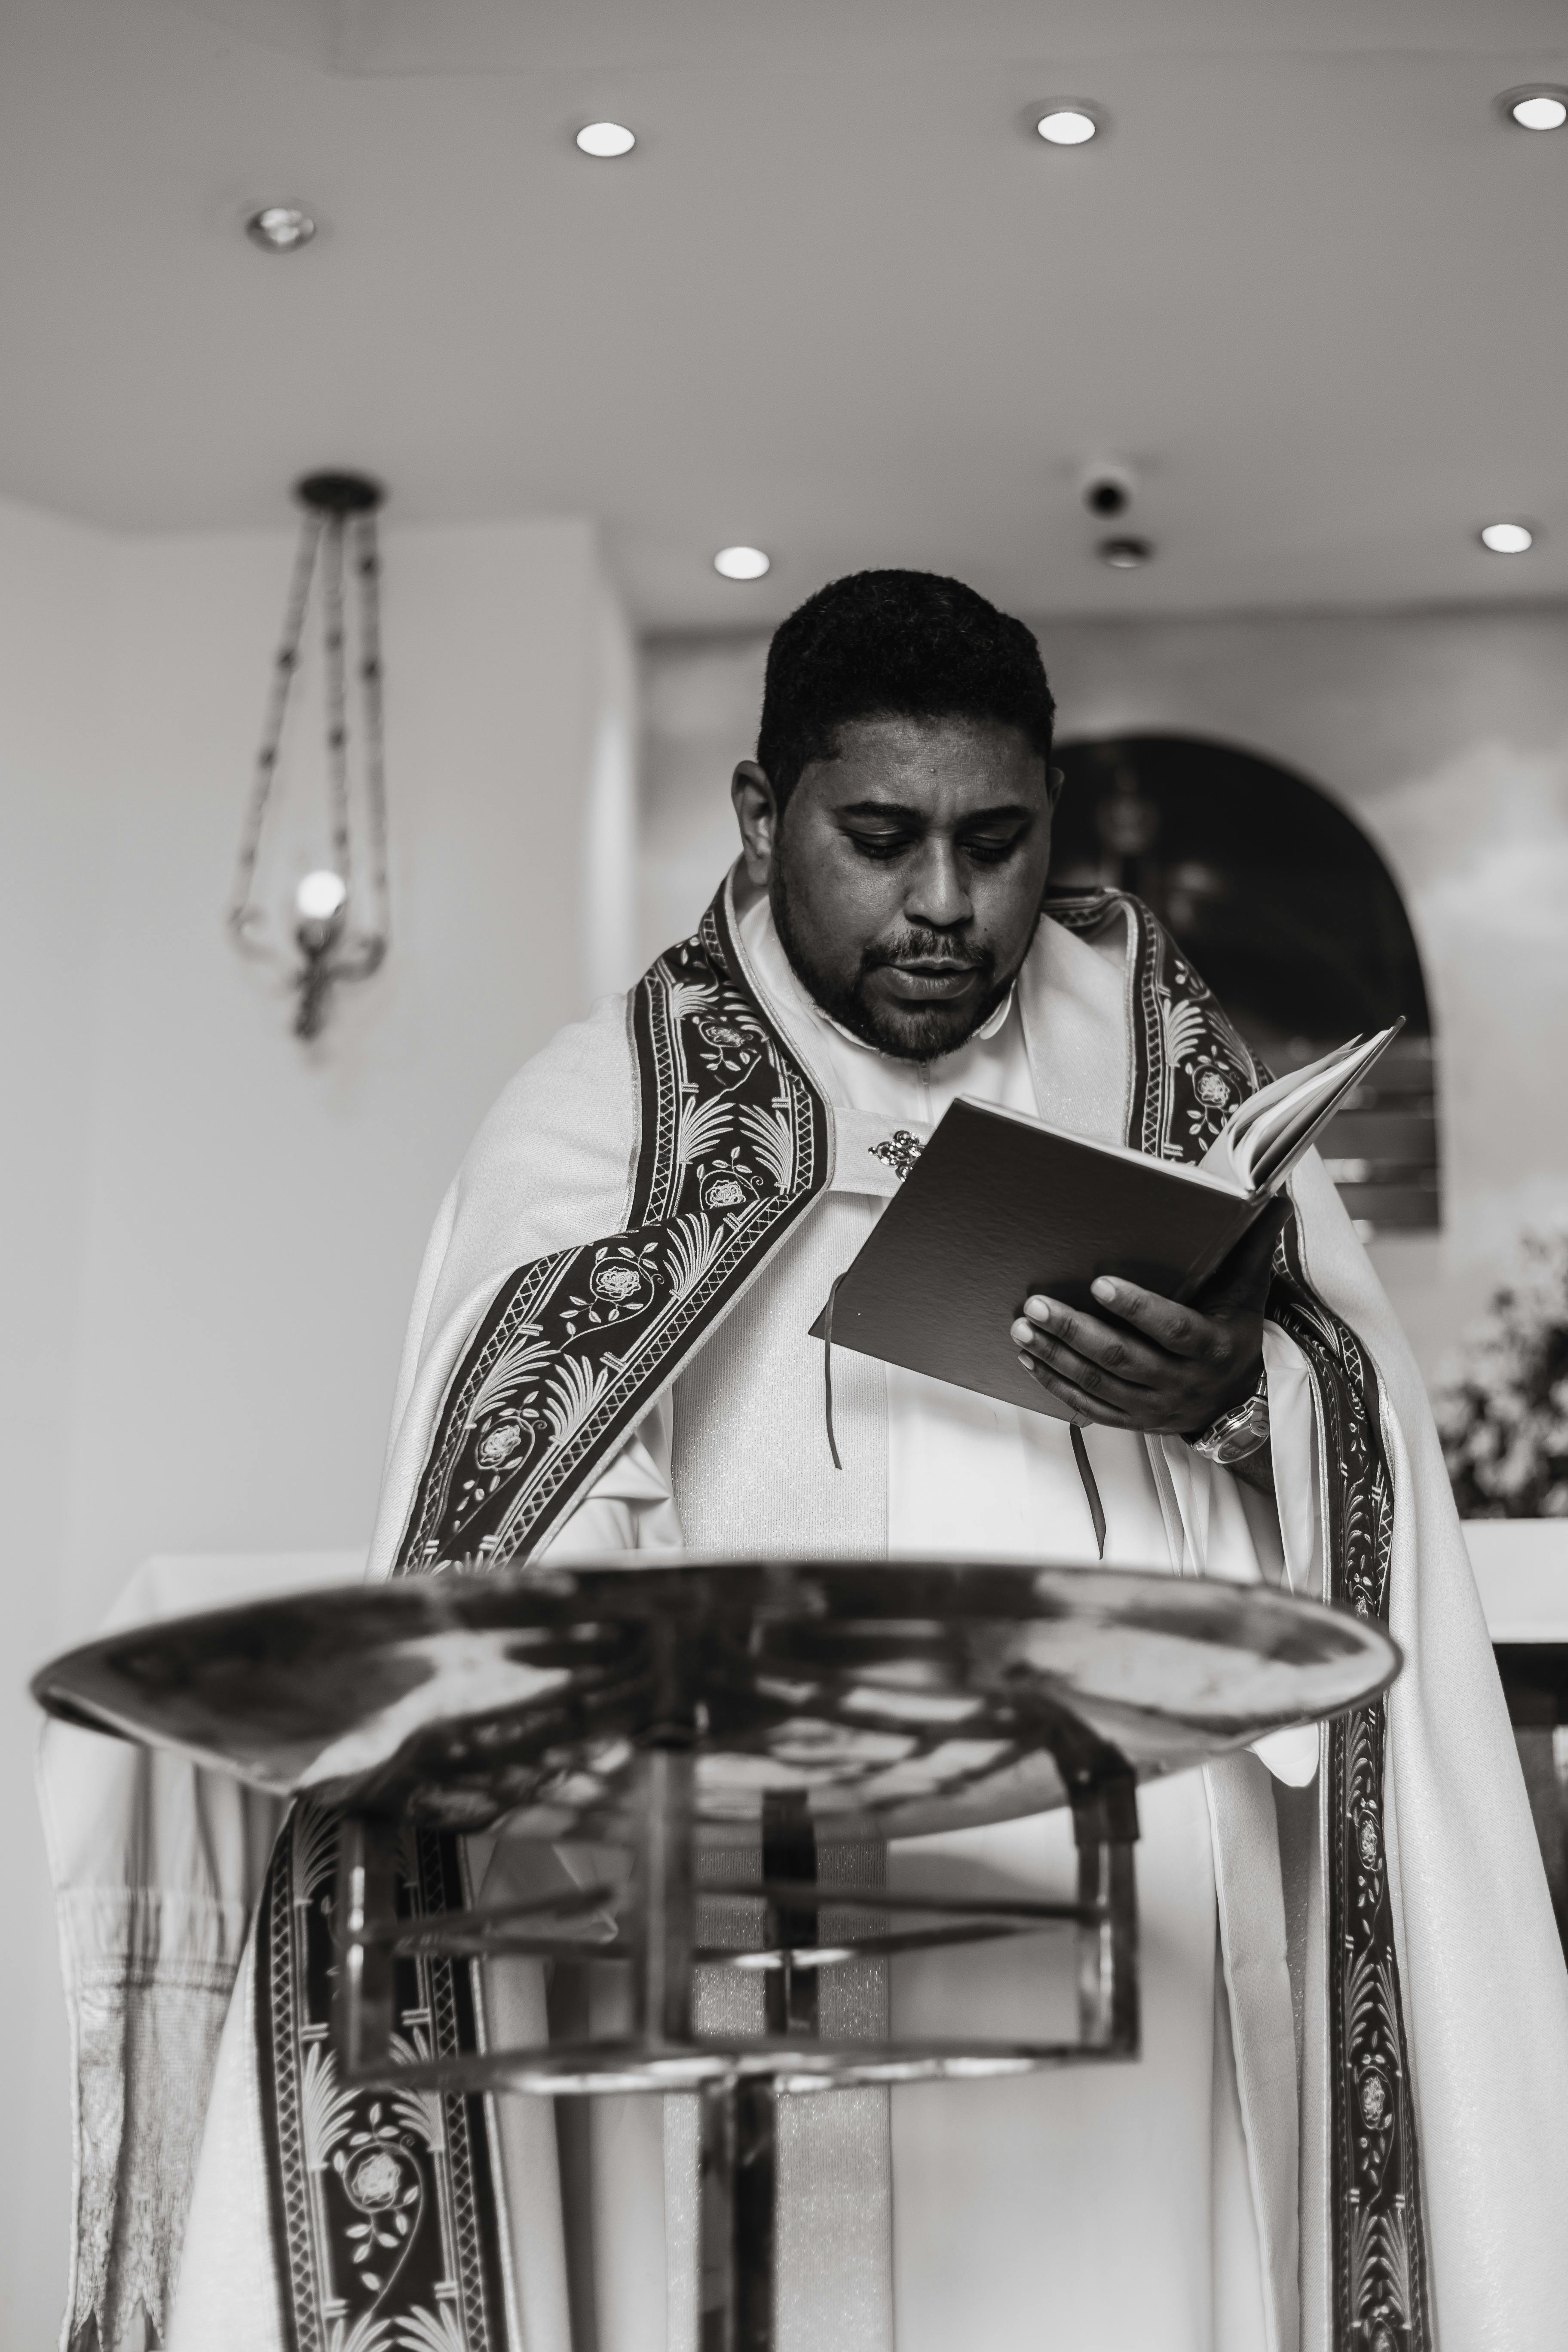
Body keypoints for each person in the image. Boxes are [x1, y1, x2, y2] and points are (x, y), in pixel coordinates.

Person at [53, 573, 1568, 2352]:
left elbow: (1351, 1425)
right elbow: (502, 1550)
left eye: (998, 843)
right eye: (881, 839)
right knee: (781, 2288)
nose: (947, 904)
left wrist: (1239, 1399)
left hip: (1133, 1901)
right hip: (747, 1892)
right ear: (763, 817)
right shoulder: (606, 1120)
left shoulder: (1160, 1068)